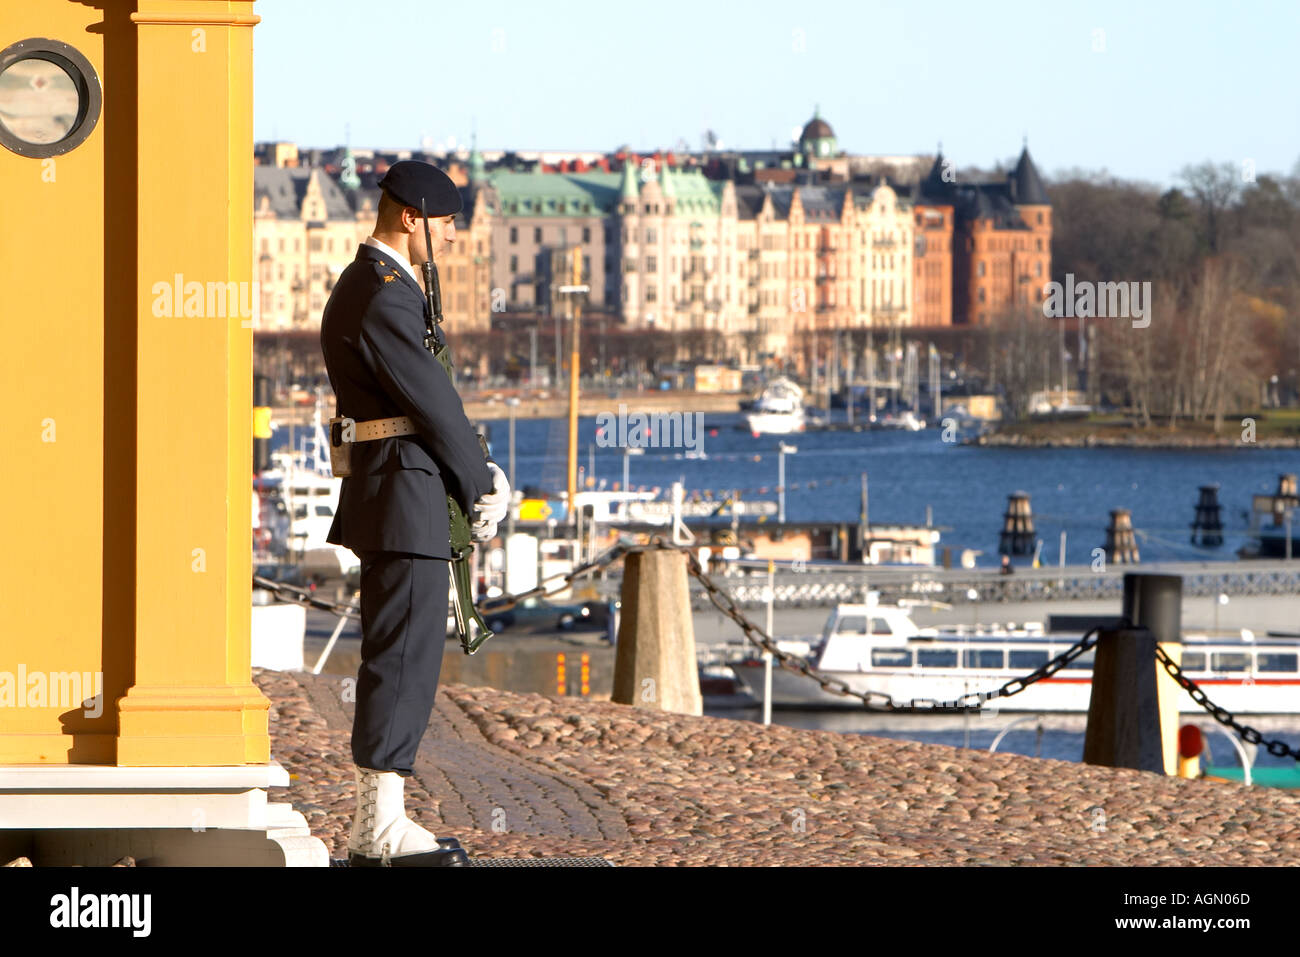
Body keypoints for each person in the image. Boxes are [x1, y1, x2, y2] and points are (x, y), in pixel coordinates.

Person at [320, 160, 510, 867]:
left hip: (403, 492)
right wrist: (480, 475)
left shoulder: (380, 287)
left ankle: (379, 822)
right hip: (405, 496)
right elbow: (433, 401)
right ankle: (379, 829)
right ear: (411, 218)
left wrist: (469, 470)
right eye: (448, 223)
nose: (454, 237)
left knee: (403, 658)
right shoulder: (385, 297)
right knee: (401, 661)